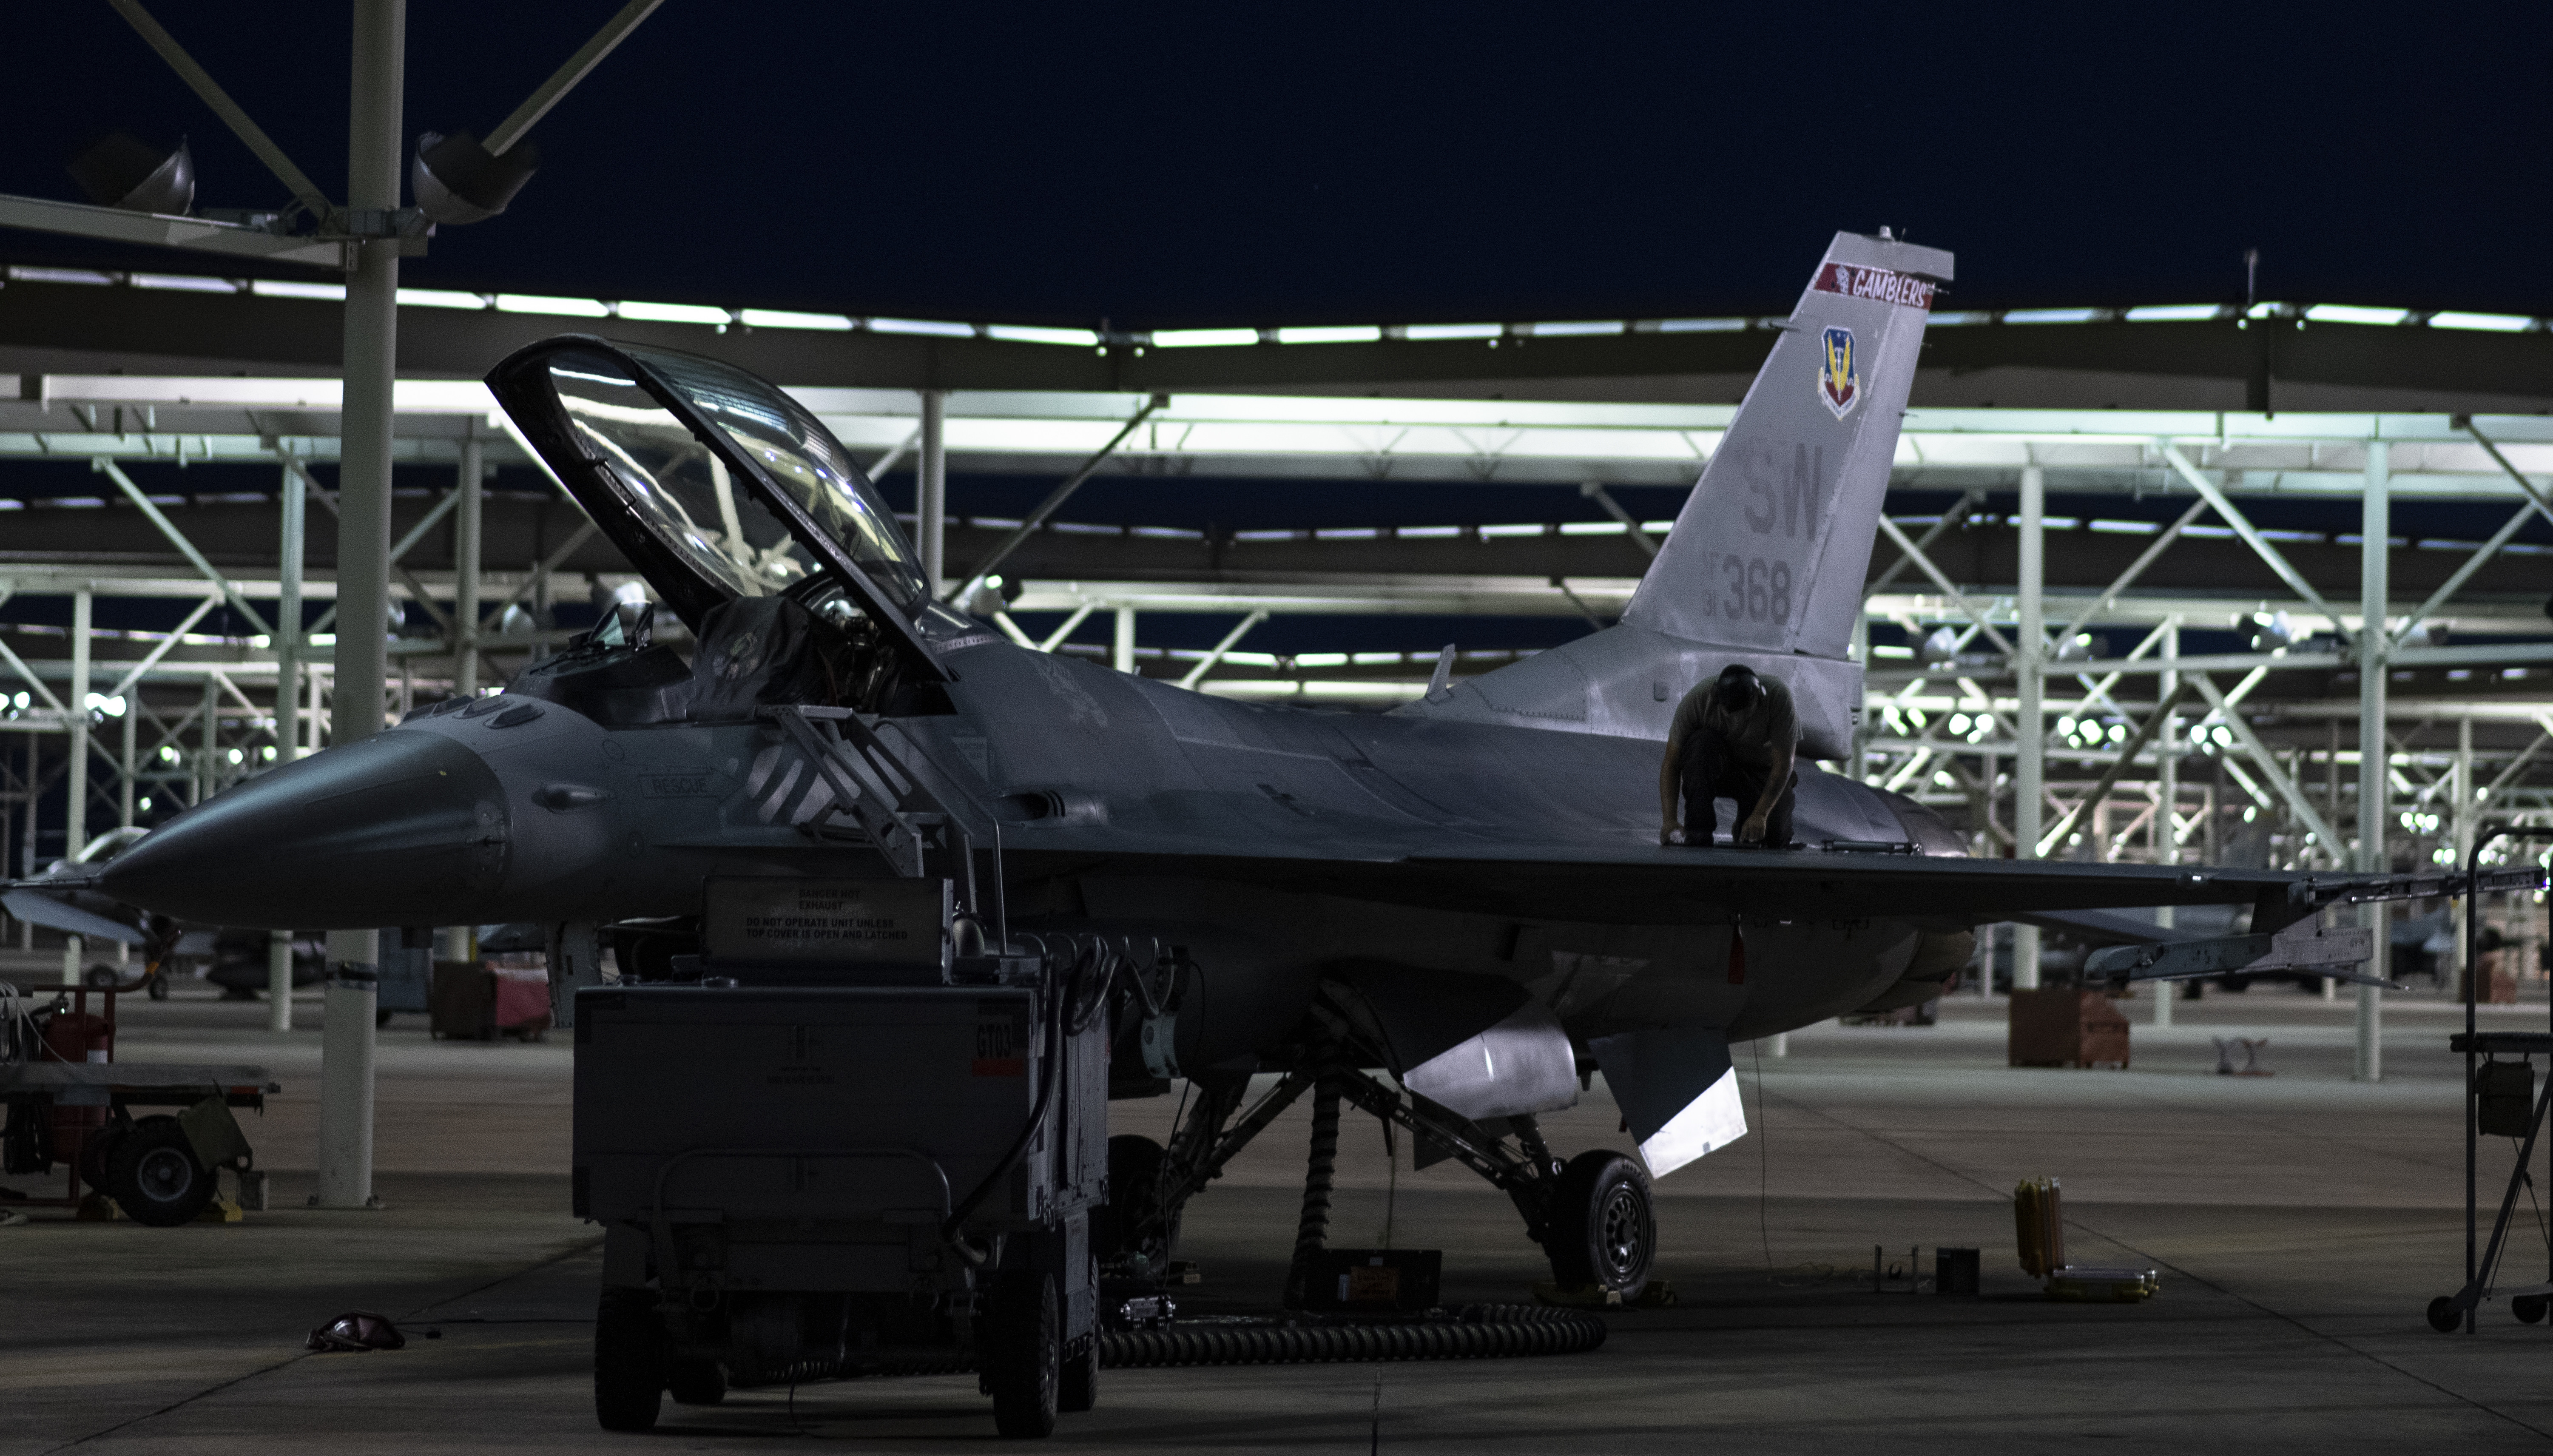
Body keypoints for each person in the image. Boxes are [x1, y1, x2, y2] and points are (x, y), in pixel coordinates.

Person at [1659, 663, 1797, 848]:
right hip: (1721, 769)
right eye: (1731, 716)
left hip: (1763, 774)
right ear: (1717, 701)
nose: (1739, 723)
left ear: (1759, 698)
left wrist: (1761, 815)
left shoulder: (1779, 697)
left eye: (1746, 716)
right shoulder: (1697, 701)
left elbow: (1783, 764)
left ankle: (1746, 821)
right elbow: (1671, 763)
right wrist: (1670, 821)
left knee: (1774, 838)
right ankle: (1699, 830)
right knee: (1700, 745)